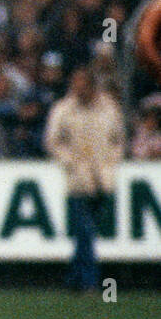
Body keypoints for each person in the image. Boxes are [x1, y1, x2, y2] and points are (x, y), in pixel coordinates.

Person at [44, 68, 125, 290]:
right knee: (85, 230)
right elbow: (52, 141)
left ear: (90, 85)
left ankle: (74, 279)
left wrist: (110, 162)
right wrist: (71, 161)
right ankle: (89, 281)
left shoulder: (109, 108)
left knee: (86, 232)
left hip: (103, 178)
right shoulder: (63, 109)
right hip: (78, 179)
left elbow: (118, 140)